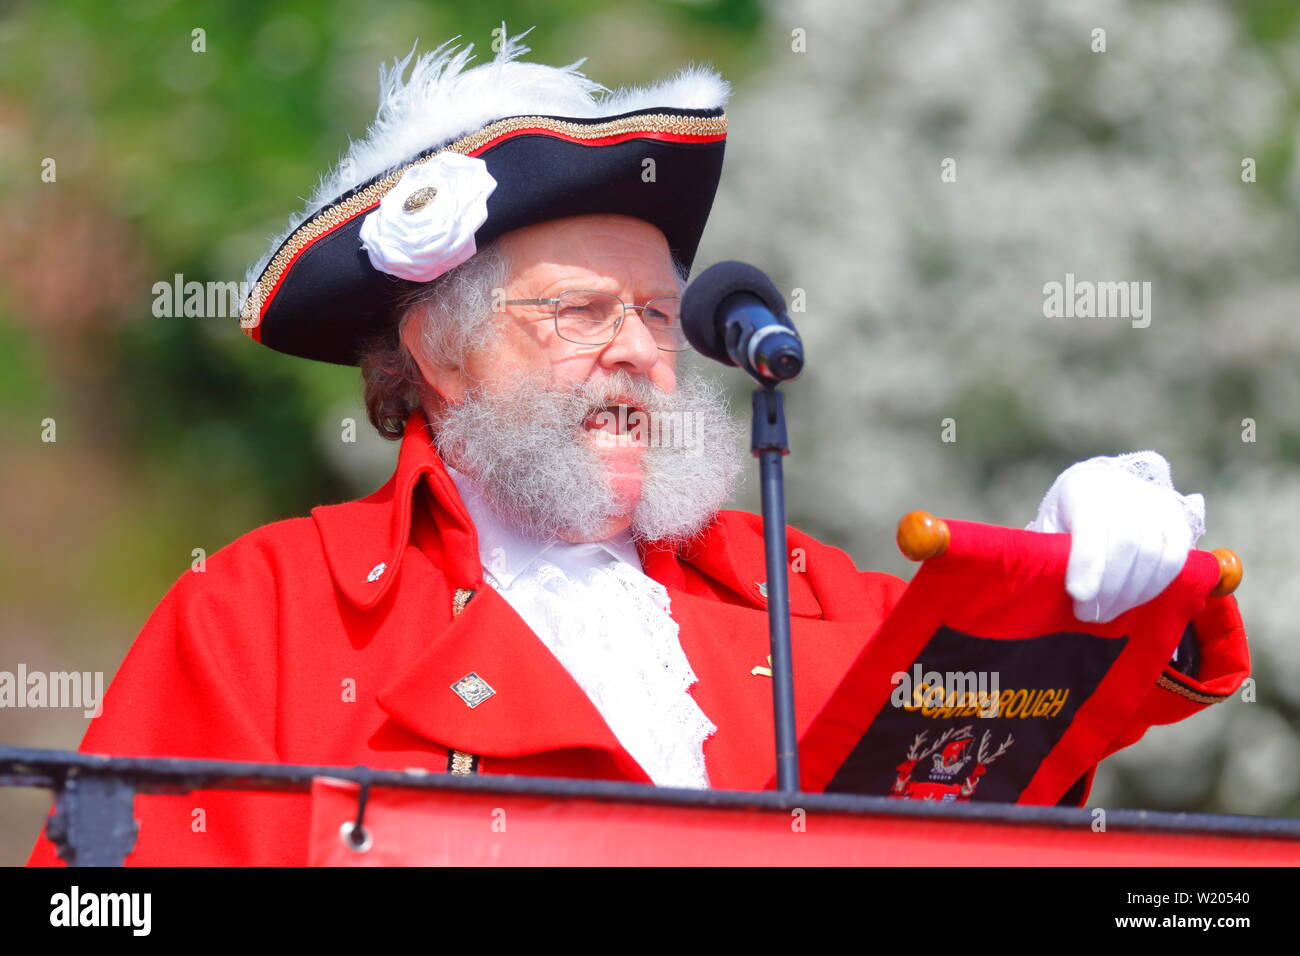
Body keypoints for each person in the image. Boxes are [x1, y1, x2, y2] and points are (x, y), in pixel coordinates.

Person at [27, 30, 1247, 866]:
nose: (638, 352)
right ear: (439, 356)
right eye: (575, 311)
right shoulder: (265, 610)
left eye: (657, 313)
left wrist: (1082, 569)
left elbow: (1008, 751)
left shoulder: (805, 592)